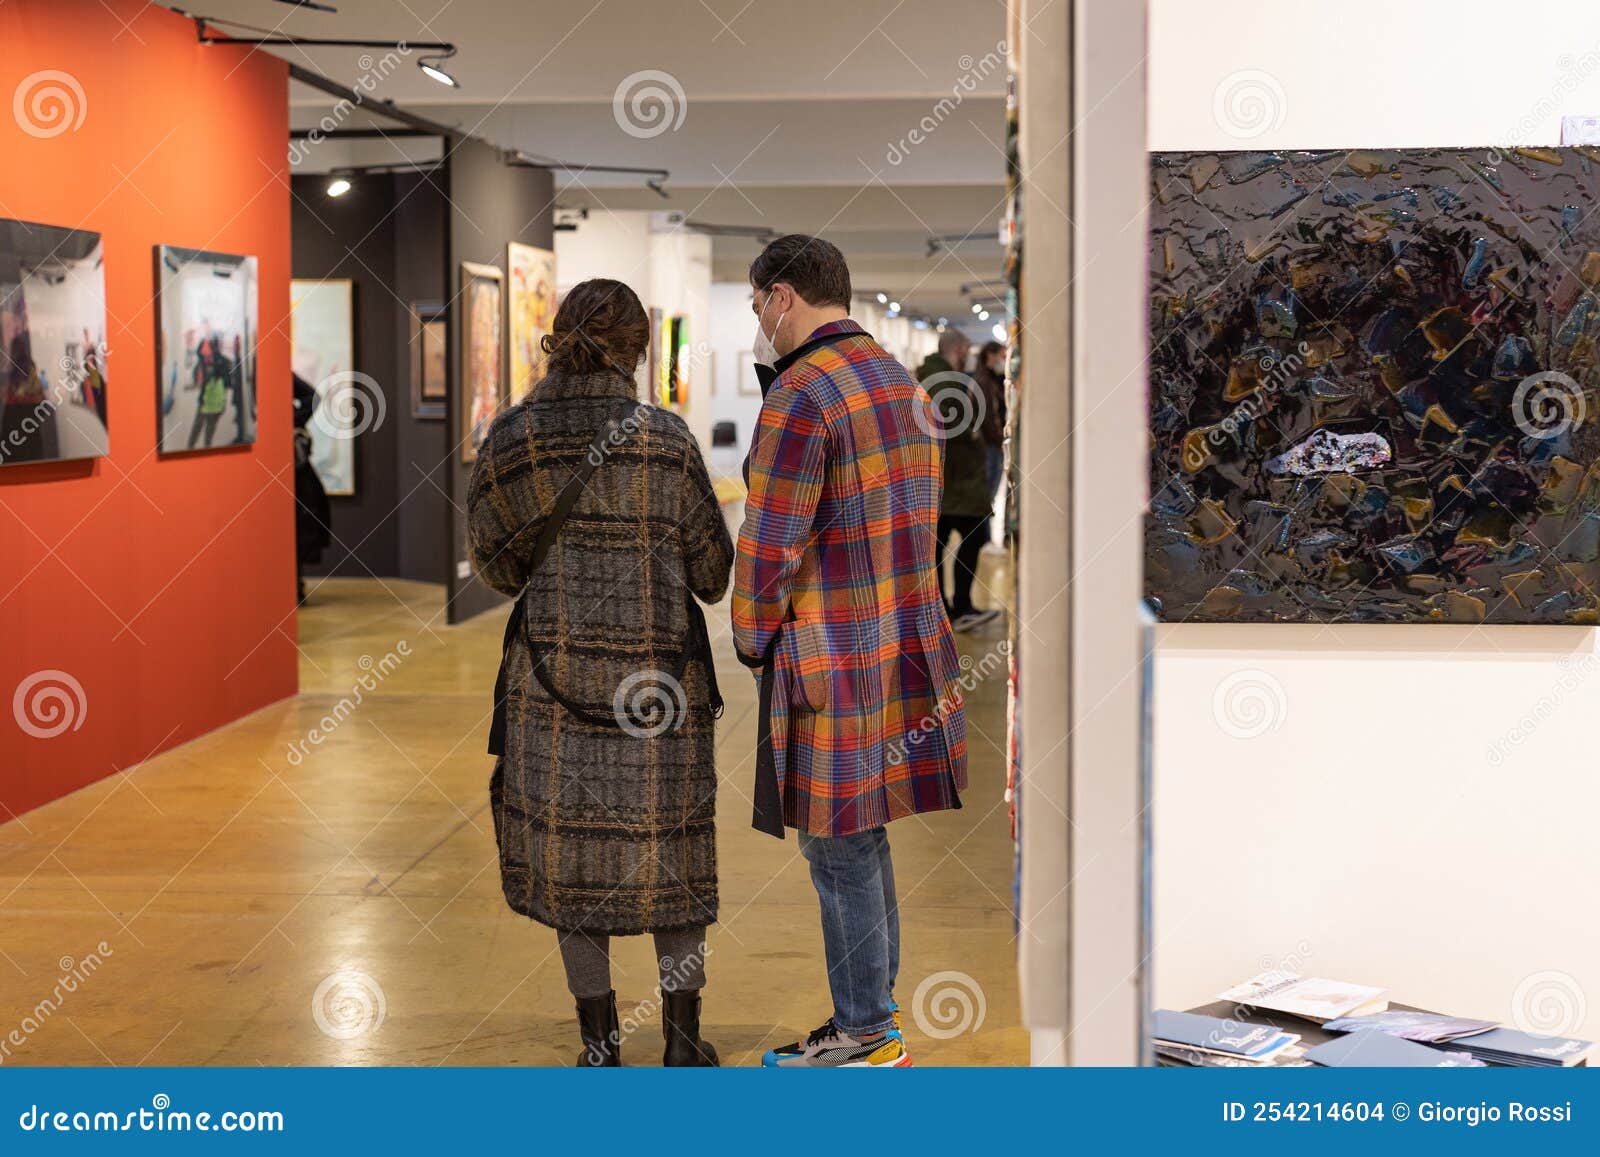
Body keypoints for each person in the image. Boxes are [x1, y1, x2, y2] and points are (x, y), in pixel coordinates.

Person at [467, 279, 734, 1067]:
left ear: (558, 338)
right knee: (672, 854)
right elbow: (713, 572)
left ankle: (599, 1043)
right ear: (639, 349)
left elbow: (497, 567)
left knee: (571, 856)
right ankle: (682, 1041)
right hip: (657, 689)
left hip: (551, 688)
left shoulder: (511, 436)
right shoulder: (667, 440)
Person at [734, 235, 967, 1068]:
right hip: (900, 644)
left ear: (784, 296)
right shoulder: (903, 383)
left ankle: (865, 1032)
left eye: (758, 304)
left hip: (830, 653)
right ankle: (874, 1020)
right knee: (860, 837)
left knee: (836, 848)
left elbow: (770, 540)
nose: (759, 322)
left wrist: (750, 634)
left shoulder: (801, 392)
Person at [917, 331, 999, 632]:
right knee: (974, 536)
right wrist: (974, 434)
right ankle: (957, 607)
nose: (969, 355)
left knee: (937, 547)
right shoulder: (943, 380)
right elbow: (952, 426)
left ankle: (945, 610)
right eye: (966, 349)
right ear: (958, 349)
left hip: (944, 481)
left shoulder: (935, 375)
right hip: (956, 480)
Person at [291, 374, 331, 604]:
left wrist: (291, 421)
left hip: (295, 474)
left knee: (298, 524)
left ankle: (294, 586)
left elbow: (312, 397)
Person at [972, 338, 1008, 528]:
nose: (1004, 360)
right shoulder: (984, 382)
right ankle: (983, 533)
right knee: (988, 491)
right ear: (990, 356)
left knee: (990, 490)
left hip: (991, 443)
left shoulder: (991, 380)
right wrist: (999, 440)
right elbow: (988, 416)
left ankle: (983, 531)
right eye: (1001, 356)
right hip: (990, 445)